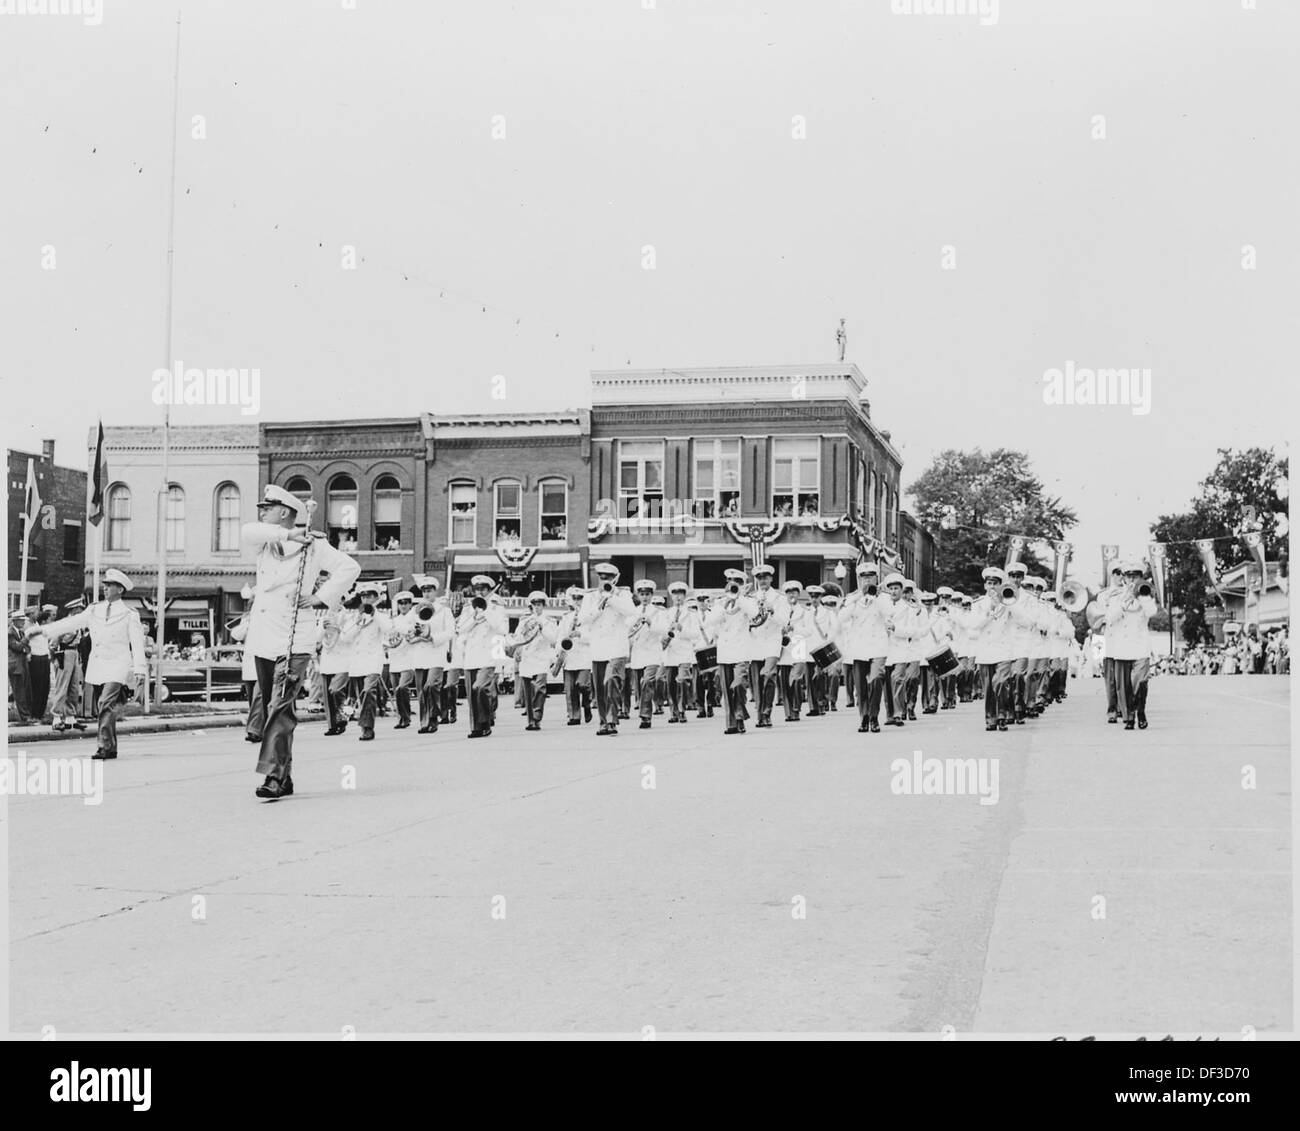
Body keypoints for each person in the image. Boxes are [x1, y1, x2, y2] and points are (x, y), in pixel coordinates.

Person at [243, 485, 360, 799]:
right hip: (265, 637)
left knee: (280, 706)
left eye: (267, 508)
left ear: (284, 512)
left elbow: (350, 568)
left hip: (295, 637)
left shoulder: (315, 545)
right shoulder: (266, 539)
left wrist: (319, 598)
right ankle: (286, 775)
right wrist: (288, 535)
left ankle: (273, 777)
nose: (261, 513)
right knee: (273, 708)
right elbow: (248, 530)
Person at [27, 569, 147, 759]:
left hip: (118, 664)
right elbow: (71, 623)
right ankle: (112, 746)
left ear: (120, 590)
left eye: (110, 586)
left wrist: (140, 671)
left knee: (105, 702)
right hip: (98, 665)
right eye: (105, 585)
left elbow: (137, 644)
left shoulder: (129, 614)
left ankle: (103, 746)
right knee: (104, 707)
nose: (105, 588)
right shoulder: (94, 610)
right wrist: (41, 630)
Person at [579, 563, 635, 736]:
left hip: (616, 646)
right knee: (600, 688)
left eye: (608, 578)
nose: (605, 580)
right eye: (602, 577)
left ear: (615, 578)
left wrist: (611, 598)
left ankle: (612, 720)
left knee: (611, 681)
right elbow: (583, 619)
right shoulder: (590, 597)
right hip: (598, 647)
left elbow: (630, 611)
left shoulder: (623, 593)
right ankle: (603, 722)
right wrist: (599, 606)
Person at [1104, 562, 1158, 729]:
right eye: (1129, 576)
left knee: (1140, 681)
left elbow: (1152, 613)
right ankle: (1129, 717)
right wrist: (1124, 601)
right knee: (1124, 685)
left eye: (1136, 576)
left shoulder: (1145, 594)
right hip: (1121, 647)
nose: (1132, 579)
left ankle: (1140, 711)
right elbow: (1110, 619)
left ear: (1140, 577)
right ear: (1124, 578)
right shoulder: (1115, 596)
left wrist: (1142, 597)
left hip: (1140, 645)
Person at [457, 574, 508, 738]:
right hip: (471, 656)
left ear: (489, 590)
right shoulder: (468, 608)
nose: (479, 592)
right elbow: (461, 628)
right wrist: (474, 617)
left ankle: (486, 721)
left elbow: (502, 630)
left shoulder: (497, 607)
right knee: (472, 695)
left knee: (479, 688)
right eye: (477, 589)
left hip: (488, 655)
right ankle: (476, 727)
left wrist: (487, 612)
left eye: (483, 589)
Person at [706, 569, 756, 734]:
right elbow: (711, 621)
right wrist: (725, 604)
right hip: (725, 651)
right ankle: (732, 724)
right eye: (731, 581)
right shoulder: (720, 602)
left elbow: (754, 613)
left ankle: (740, 714)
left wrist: (739, 598)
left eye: (738, 582)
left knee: (739, 684)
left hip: (741, 650)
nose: (734, 584)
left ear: (742, 584)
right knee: (727, 689)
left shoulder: (747, 600)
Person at [746, 564, 788, 728]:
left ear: (771, 578)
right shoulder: (751, 598)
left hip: (771, 642)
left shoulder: (780, 598)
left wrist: (773, 612)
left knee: (769, 674)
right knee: (756, 680)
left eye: (765, 577)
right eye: (759, 578)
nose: (762, 580)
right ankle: (760, 714)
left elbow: (785, 621)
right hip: (755, 642)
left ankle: (766, 712)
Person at [513, 590, 557, 730]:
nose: (537, 607)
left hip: (541, 657)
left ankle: (537, 717)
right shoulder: (524, 620)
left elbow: (553, 639)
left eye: (539, 604)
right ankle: (531, 720)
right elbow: (518, 637)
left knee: (540, 687)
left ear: (543, 605)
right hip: (527, 656)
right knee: (528, 690)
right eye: (534, 604)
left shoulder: (549, 620)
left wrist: (542, 626)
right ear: (530, 605)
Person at [627, 580, 668, 730]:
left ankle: (645, 715)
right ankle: (645, 709)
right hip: (638, 652)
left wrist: (651, 623)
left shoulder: (659, 612)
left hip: (653, 652)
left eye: (647, 594)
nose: (645, 597)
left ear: (652, 595)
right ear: (638, 595)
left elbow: (664, 630)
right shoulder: (632, 611)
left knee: (647, 681)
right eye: (642, 594)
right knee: (640, 685)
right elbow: (627, 631)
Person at [659, 581, 701, 724]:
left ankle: (682, 710)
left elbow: (695, 634)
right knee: (670, 683)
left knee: (682, 680)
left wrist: (681, 628)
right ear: (671, 596)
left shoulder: (691, 613)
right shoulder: (666, 613)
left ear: (684, 596)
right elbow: (660, 631)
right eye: (675, 594)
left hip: (684, 651)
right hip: (670, 651)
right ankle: (673, 711)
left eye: (680, 594)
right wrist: (665, 636)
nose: (677, 597)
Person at [48, 597, 89, 732]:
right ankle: (57, 717)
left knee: (74, 687)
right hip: (64, 653)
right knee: (62, 686)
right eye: (80, 609)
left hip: (75, 653)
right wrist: (54, 658)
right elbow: (54, 642)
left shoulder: (77, 624)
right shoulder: (65, 623)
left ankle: (70, 717)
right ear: (75, 610)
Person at [555, 586, 594, 726]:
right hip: (570, 657)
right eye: (575, 598)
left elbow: (594, 637)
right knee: (570, 689)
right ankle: (574, 716)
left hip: (584, 656)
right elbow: (559, 635)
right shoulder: (566, 617)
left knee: (582, 684)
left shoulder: (590, 617)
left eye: (580, 598)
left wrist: (580, 635)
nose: (577, 601)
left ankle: (587, 703)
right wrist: (559, 650)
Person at [8, 609, 34, 725]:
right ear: (15, 621)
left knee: (25, 690)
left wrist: (24, 646)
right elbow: (17, 647)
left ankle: (26, 714)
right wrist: (25, 642)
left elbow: (27, 648)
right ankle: (25, 716)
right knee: (19, 692)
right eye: (21, 620)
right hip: (15, 666)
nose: (23, 623)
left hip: (22, 664)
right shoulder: (10, 633)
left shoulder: (21, 633)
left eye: (23, 620)